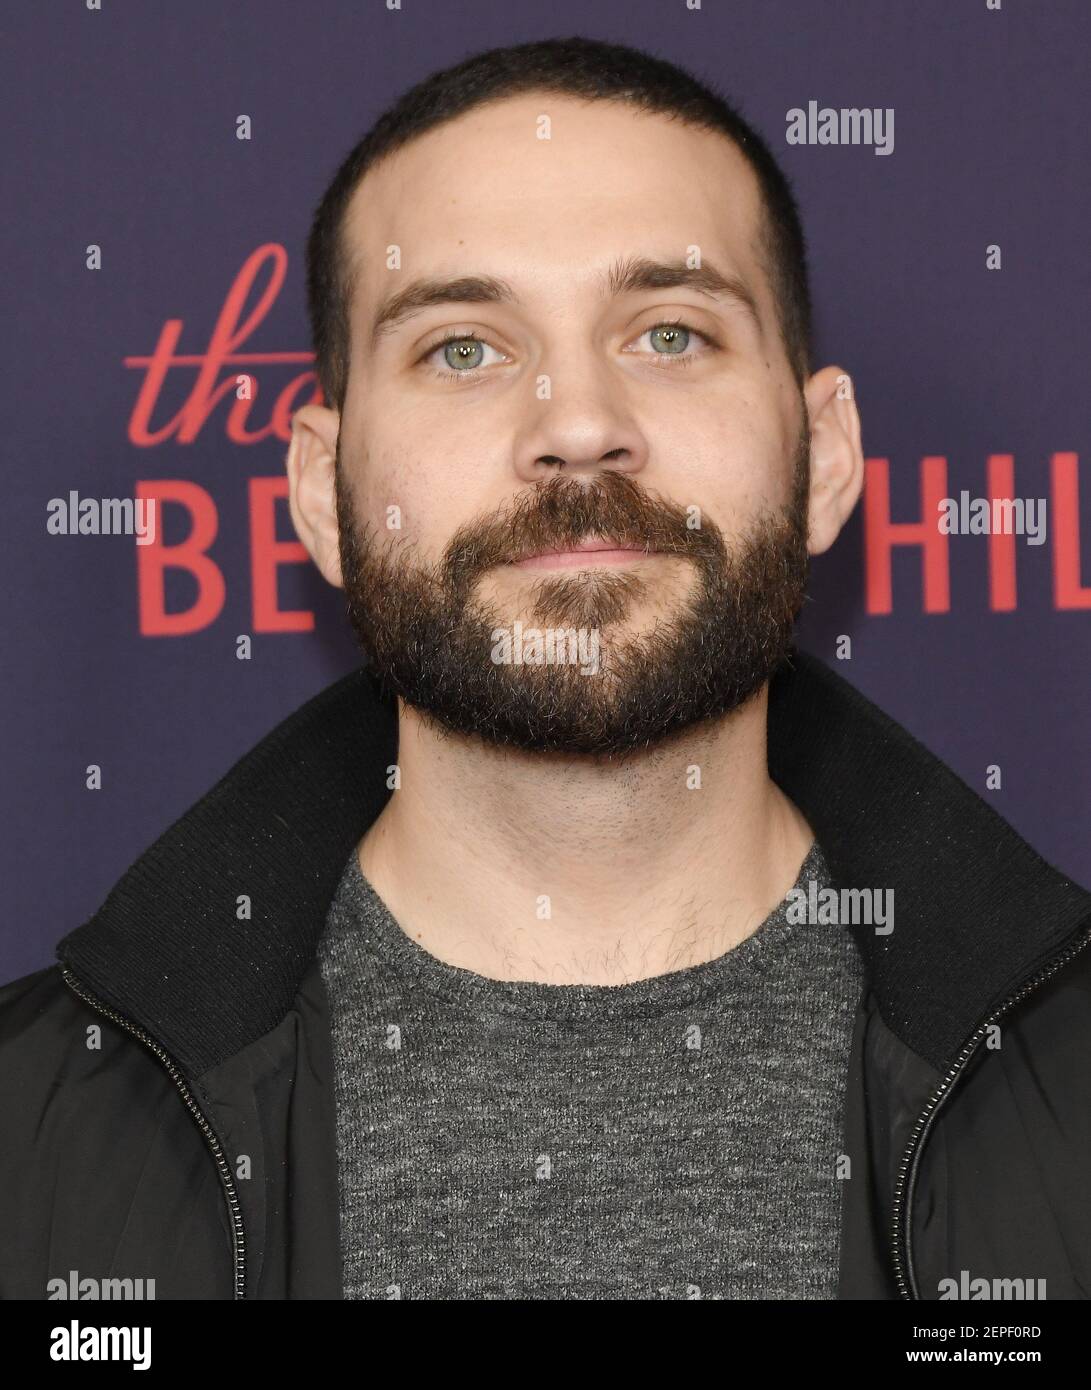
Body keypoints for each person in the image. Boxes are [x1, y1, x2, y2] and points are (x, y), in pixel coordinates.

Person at [2, 35, 1089, 1302]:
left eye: (670, 333)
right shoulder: (33, 1135)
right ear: (318, 493)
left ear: (826, 458)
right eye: (463, 347)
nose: (577, 424)